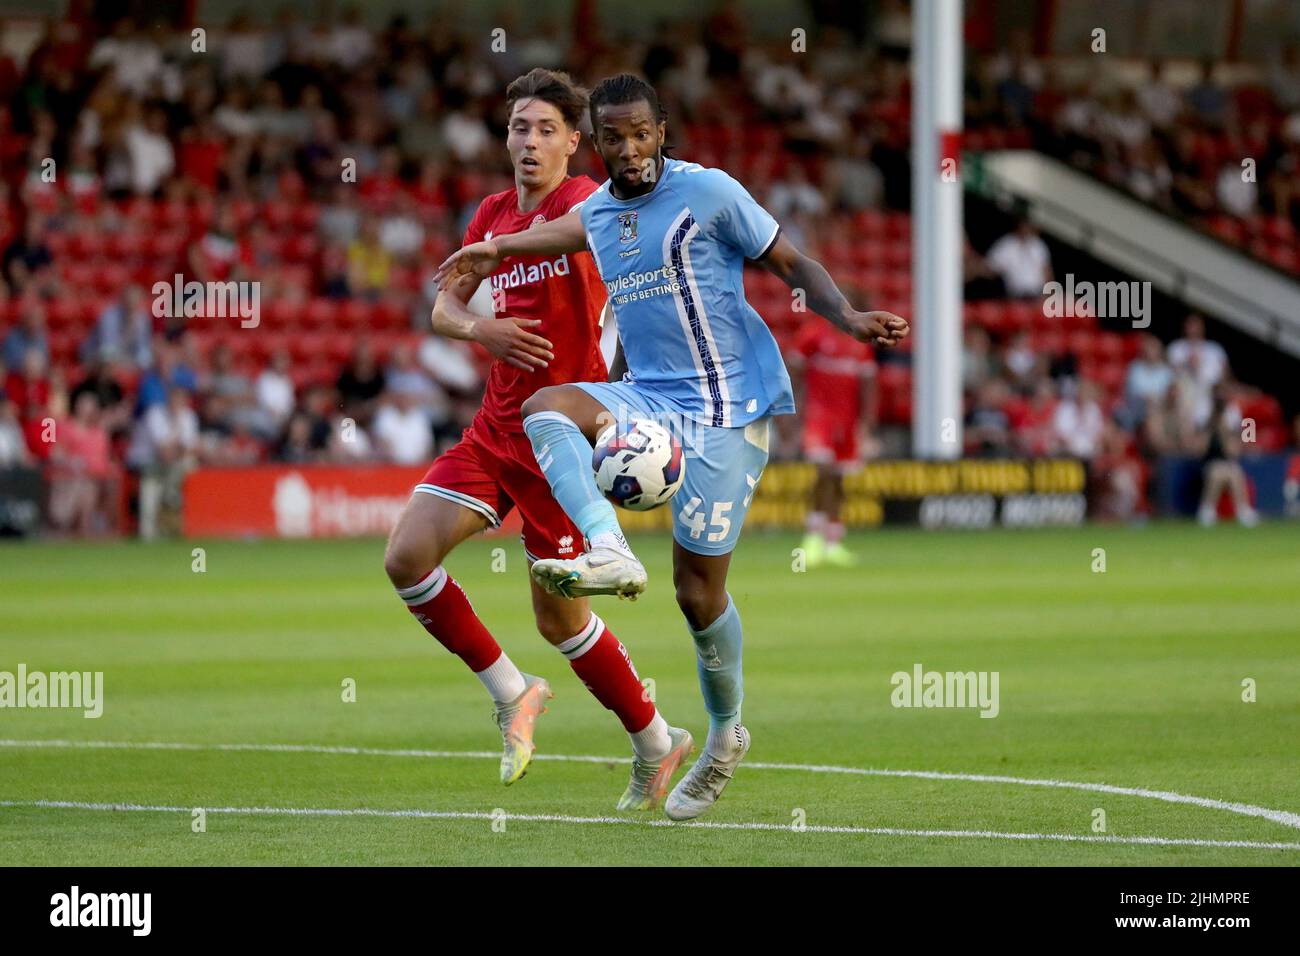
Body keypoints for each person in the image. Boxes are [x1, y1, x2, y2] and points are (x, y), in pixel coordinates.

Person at [436, 73, 908, 820]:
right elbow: (563, 232)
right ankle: (607, 546)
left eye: (640, 133)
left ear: (662, 130)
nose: (629, 149)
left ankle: (724, 739)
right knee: (546, 408)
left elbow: (792, 263)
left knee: (697, 595)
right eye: (614, 138)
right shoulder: (599, 211)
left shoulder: (710, 192)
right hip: (652, 397)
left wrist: (847, 316)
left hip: (726, 411)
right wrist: (490, 250)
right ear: (599, 142)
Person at [383, 69, 689, 808]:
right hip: (496, 429)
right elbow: (442, 309)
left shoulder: (583, 201)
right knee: (406, 557)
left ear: (574, 143)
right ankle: (512, 692)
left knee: (560, 618)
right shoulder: (489, 213)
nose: (530, 140)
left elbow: (587, 233)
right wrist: (479, 325)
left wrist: (509, 253)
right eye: (520, 126)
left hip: (561, 440)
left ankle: (656, 740)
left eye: (547, 129)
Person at [789, 294, 879, 568]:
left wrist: (867, 425)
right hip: (819, 418)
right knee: (824, 472)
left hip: (847, 422)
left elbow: (868, 386)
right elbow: (794, 370)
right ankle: (813, 536)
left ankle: (833, 540)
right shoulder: (812, 335)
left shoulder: (859, 344)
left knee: (839, 479)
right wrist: (793, 412)